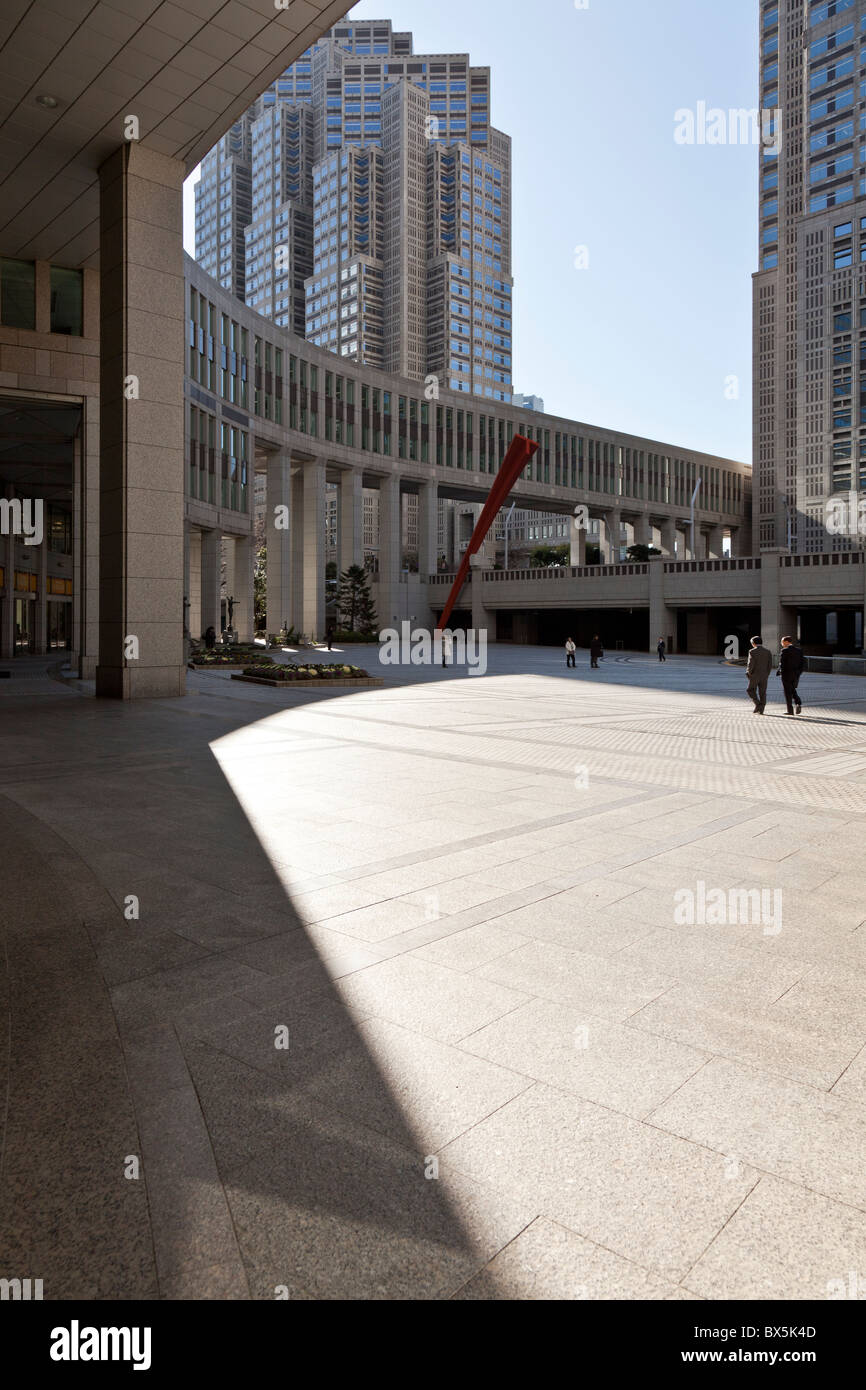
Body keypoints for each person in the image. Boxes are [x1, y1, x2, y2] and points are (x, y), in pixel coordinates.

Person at [778, 635, 804, 716]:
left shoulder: (784, 651)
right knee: (792, 689)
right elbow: (802, 664)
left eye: (782, 642)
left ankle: (790, 710)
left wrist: (781, 672)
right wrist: (798, 673)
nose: (781, 643)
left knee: (787, 692)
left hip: (786, 675)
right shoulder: (799, 651)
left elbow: (782, 664)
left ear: (786, 642)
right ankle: (798, 703)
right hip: (796, 675)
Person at [746, 635, 772, 714]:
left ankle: (758, 704)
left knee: (750, 690)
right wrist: (767, 674)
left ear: (753, 643)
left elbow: (751, 664)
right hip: (764, 675)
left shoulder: (752, 651)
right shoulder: (768, 652)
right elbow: (769, 665)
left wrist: (748, 673)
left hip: (754, 675)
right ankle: (761, 709)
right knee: (763, 692)